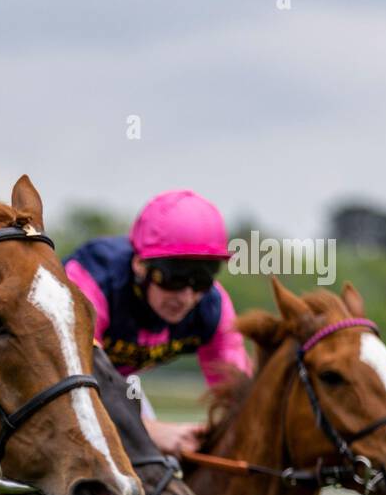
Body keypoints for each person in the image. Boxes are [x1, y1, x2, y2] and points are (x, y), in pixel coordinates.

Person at [62, 190, 252, 456]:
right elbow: (70, 386)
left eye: (201, 280)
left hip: (117, 385)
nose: (186, 297)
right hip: (43, 386)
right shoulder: (92, 282)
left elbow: (238, 397)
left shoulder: (213, 307)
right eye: (174, 278)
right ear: (140, 264)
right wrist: (150, 430)